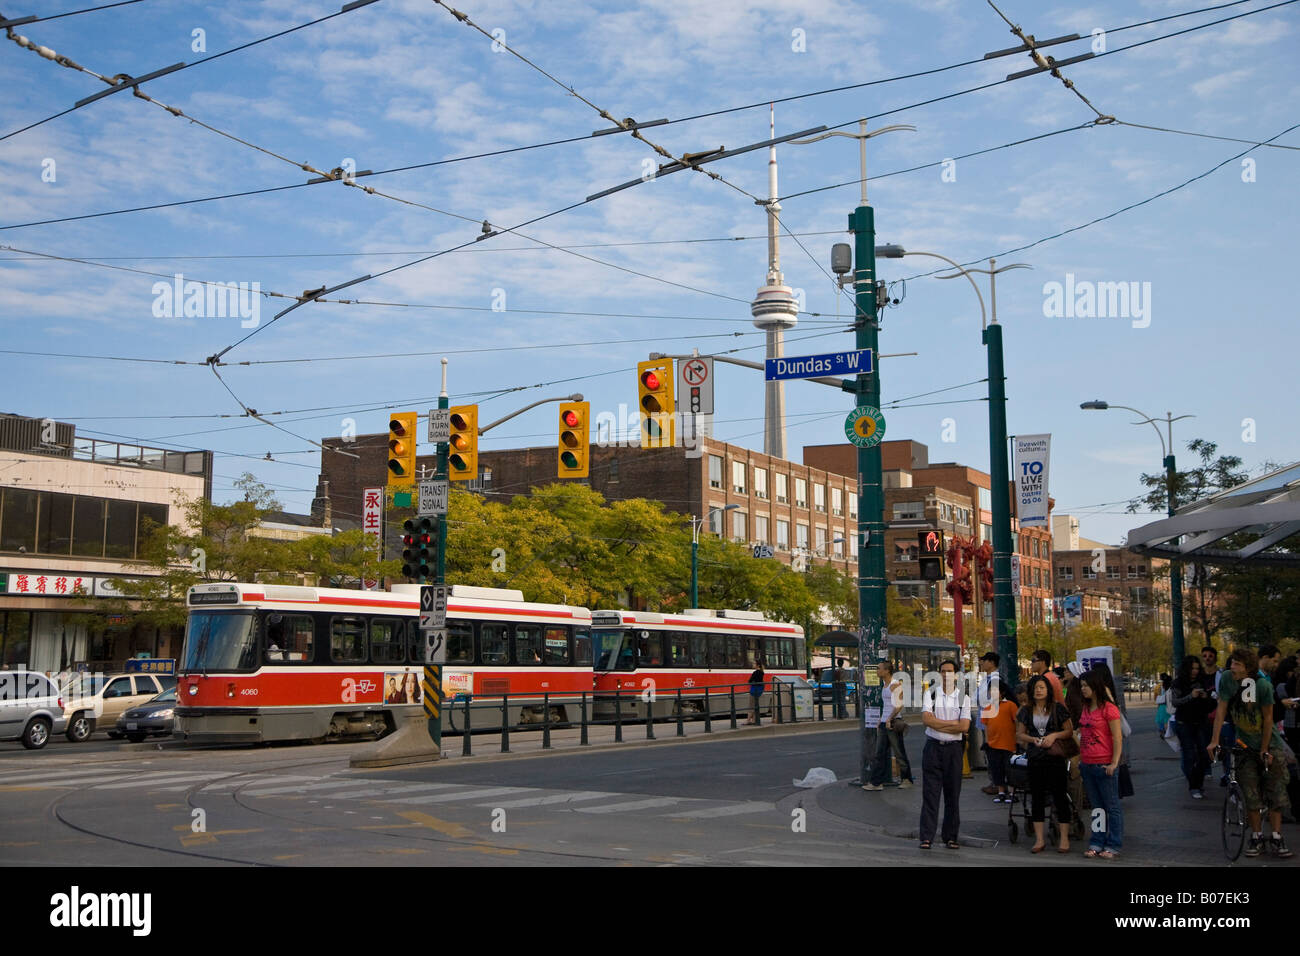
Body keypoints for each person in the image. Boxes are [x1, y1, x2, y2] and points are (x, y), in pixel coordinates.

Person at [1208, 647, 1293, 858]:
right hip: (1243, 745)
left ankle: (1276, 836)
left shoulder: (1262, 685)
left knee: (1275, 792)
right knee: (1251, 793)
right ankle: (1256, 836)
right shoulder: (1228, 679)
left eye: (1237, 664)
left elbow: (1267, 719)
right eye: (1232, 663)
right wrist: (1214, 740)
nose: (1232, 667)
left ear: (1248, 668)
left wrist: (1265, 749)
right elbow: (1221, 710)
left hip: (1268, 743)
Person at [1016, 673, 1074, 854]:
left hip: (1055, 757)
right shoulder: (1026, 711)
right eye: (1035, 688)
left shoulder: (1057, 708)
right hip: (1035, 757)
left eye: (1042, 687)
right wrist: (1033, 739)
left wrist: (1053, 735)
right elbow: (1020, 734)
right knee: (1037, 797)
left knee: (1060, 796)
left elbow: (1069, 731)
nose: (1039, 691)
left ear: (1048, 690)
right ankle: (1039, 839)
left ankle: (1064, 838)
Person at [918, 660, 971, 850]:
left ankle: (951, 836)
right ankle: (926, 837)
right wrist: (953, 726)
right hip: (933, 748)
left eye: (950, 671)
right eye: (942, 671)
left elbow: (964, 726)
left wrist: (937, 723)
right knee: (930, 794)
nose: (946, 675)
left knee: (952, 795)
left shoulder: (963, 697)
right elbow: (926, 720)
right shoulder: (930, 694)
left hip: (954, 750)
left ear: (956, 675)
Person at [1078, 668, 1124, 859]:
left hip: (1104, 763)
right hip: (1087, 763)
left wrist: (1114, 762)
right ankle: (1097, 841)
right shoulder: (1086, 708)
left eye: (1086, 686)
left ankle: (1113, 843)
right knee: (1097, 807)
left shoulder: (1109, 709)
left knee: (1111, 806)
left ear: (1096, 687)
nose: (1083, 689)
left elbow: (1117, 737)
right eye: (1081, 686)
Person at [1169, 655, 1215, 798]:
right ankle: (1194, 786)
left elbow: (1211, 701)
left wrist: (1205, 697)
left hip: (1201, 721)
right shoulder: (1178, 683)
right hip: (1184, 722)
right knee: (1189, 755)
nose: (1195, 671)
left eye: (1196, 668)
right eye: (1192, 668)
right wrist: (1191, 696)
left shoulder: (1202, 681)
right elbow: (1175, 702)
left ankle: (1198, 784)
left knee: (1204, 754)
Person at [864, 661, 913, 790]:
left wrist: (889, 718)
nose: (877, 671)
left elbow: (899, 704)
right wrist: (881, 720)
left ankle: (907, 779)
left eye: (879, 669)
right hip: (884, 722)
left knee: (899, 752)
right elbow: (887, 705)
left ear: (887, 671)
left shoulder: (894, 684)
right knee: (879, 754)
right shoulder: (885, 685)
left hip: (893, 722)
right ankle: (876, 783)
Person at [984, 677, 1020, 803]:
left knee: (1010, 770)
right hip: (993, 744)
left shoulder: (1010, 705)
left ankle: (1011, 792)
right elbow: (986, 726)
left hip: (1009, 744)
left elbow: (1017, 723)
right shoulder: (987, 707)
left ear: (1002, 692)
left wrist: (1017, 738)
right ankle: (1000, 792)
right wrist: (987, 742)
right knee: (996, 769)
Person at [1203, 644, 1233, 786]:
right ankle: (1207, 770)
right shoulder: (1200, 675)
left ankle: (1225, 773)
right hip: (1205, 716)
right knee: (1206, 745)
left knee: (1224, 747)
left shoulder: (1221, 674)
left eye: (1210, 655)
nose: (1207, 658)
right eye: (1205, 656)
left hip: (1220, 715)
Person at [976, 652, 1001, 795]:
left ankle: (996, 782)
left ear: (991, 662)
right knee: (989, 751)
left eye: (984, 660)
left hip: (990, 720)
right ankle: (994, 781)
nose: (982, 663)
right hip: (985, 718)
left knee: (992, 751)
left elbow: (989, 700)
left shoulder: (995, 679)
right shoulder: (988, 678)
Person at [746, 660, 765, 725]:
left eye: (754, 663)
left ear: (757, 665)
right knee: (755, 705)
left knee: (751, 705)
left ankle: (748, 721)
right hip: (759, 690)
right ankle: (754, 720)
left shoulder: (755, 672)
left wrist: (751, 681)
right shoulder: (762, 672)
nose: (753, 664)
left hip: (753, 690)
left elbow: (750, 681)